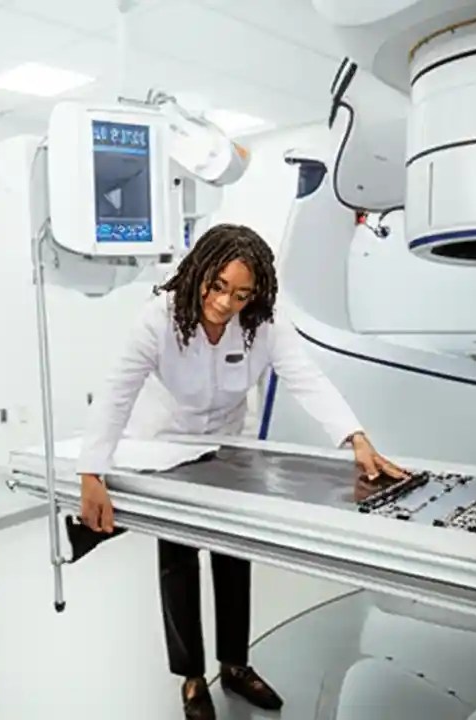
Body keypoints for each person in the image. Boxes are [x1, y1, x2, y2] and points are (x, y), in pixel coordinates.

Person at [74, 223, 406, 719]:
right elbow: (117, 392)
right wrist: (91, 474)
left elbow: (306, 377)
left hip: (228, 445)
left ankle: (235, 665)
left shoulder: (263, 324)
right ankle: (191, 677)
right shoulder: (157, 320)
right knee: (179, 561)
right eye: (219, 286)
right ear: (199, 273)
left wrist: (355, 437)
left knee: (234, 553)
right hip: (167, 444)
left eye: (242, 294)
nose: (227, 302)